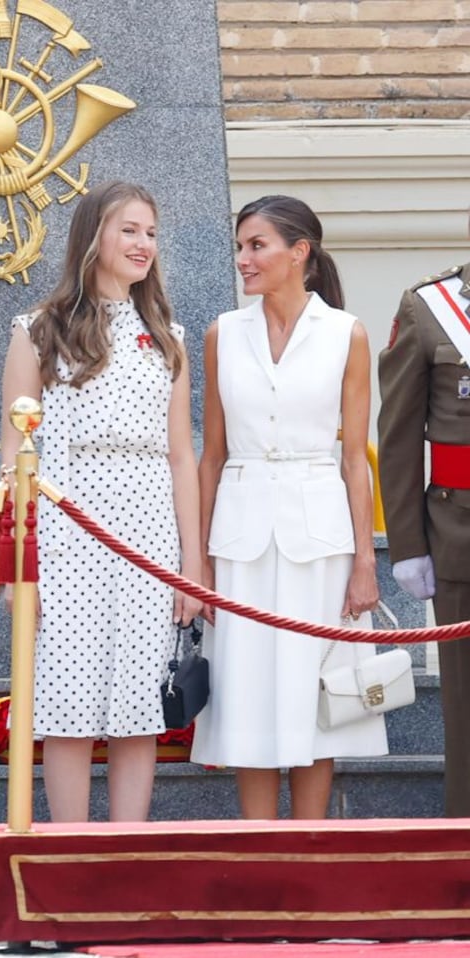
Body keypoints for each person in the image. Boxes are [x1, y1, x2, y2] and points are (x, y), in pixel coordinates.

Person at [0, 180, 202, 823]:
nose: (143, 244)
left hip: (148, 533)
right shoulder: (39, 330)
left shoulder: (166, 335)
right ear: (94, 237)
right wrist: (15, 562)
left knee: (140, 702)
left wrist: (189, 568)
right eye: (129, 230)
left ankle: (124, 858)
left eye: (150, 233)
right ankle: (69, 859)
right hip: (66, 532)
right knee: (67, 699)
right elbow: (13, 458)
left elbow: (181, 458)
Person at [190, 194, 388, 819]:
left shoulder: (344, 334)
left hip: (319, 537)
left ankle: (309, 863)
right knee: (246, 700)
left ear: (298, 252)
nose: (244, 259)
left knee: (314, 700)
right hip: (239, 538)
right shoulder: (223, 333)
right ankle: (256, 862)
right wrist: (197, 562)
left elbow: (355, 458)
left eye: (258, 245)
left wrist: (365, 561)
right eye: (242, 246)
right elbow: (211, 456)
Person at [378, 262, 470, 817]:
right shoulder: (430, 307)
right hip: (461, 533)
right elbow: (399, 436)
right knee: (465, 710)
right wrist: (408, 543)